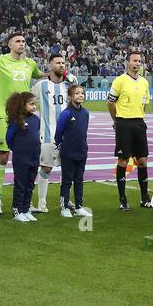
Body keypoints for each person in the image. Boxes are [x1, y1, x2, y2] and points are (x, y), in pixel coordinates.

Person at [0, 34, 43, 215]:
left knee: (25, 158)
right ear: (9, 44)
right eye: (18, 41)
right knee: (3, 156)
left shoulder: (30, 64)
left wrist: (62, 74)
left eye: (24, 41)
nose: (21, 44)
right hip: (5, 116)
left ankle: (23, 202)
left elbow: (40, 75)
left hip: (26, 116)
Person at [108, 50, 151, 211]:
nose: (137, 64)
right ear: (128, 62)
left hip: (139, 123)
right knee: (123, 160)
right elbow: (110, 103)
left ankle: (144, 198)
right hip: (124, 124)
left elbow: (144, 103)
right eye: (134, 61)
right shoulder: (119, 81)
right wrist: (116, 121)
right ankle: (122, 199)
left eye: (139, 61)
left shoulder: (144, 82)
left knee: (142, 160)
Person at [32, 53, 74, 212]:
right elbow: (29, 101)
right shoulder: (41, 85)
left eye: (63, 63)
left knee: (68, 168)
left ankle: (66, 200)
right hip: (48, 134)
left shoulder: (69, 85)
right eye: (57, 63)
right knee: (46, 168)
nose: (61, 65)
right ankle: (42, 203)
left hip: (68, 136)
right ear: (50, 66)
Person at [55, 83, 90, 217]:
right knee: (67, 180)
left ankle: (79, 206)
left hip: (82, 151)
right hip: (68, 152)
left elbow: (83, 132)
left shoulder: (86, 113)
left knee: (79, 180)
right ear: (70, 97)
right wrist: (60, 145)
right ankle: (64, 207)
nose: (80, 95)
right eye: (77, 93)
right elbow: (58, 133)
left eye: (82, 93)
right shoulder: (66, 113)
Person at [5, 92, 42, 223]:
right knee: (20, 185)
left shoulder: (36, 120)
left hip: (34, 157)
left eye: (35, 104)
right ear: (23, 105)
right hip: (21, 158)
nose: (34, 106)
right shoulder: (17, 120)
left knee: (30, 185)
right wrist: (18, 149)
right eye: (31, 104)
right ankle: (17, 209)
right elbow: (9, 138)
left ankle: (26, 209)